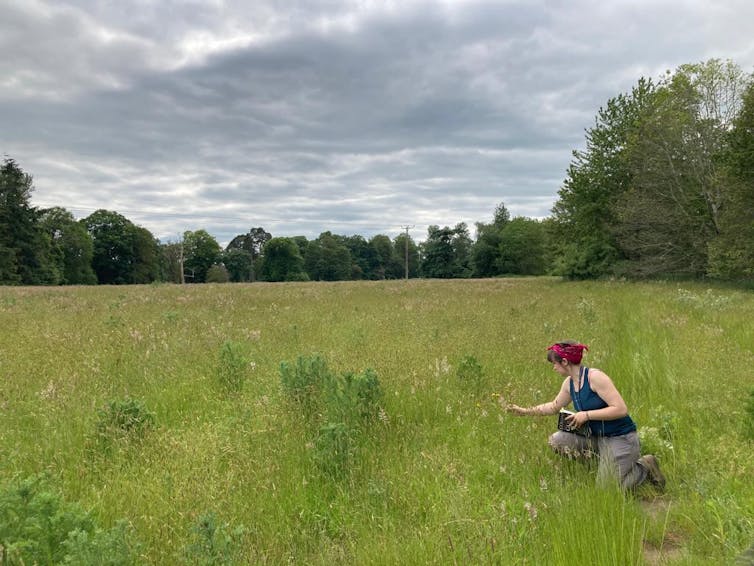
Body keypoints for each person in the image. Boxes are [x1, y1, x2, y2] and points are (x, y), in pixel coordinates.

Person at [502, 340, 665, 491]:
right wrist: (524, 411)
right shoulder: (569, 384)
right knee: (557, 440)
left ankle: (644, 466)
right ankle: (605, 465)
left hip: (621, 438)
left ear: (565, 362)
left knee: (606, 491)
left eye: (555, 364)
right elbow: (553, 406)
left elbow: (620, 409)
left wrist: (586, 415)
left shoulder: (595, 378)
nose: (554, 368)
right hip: (597, 438)